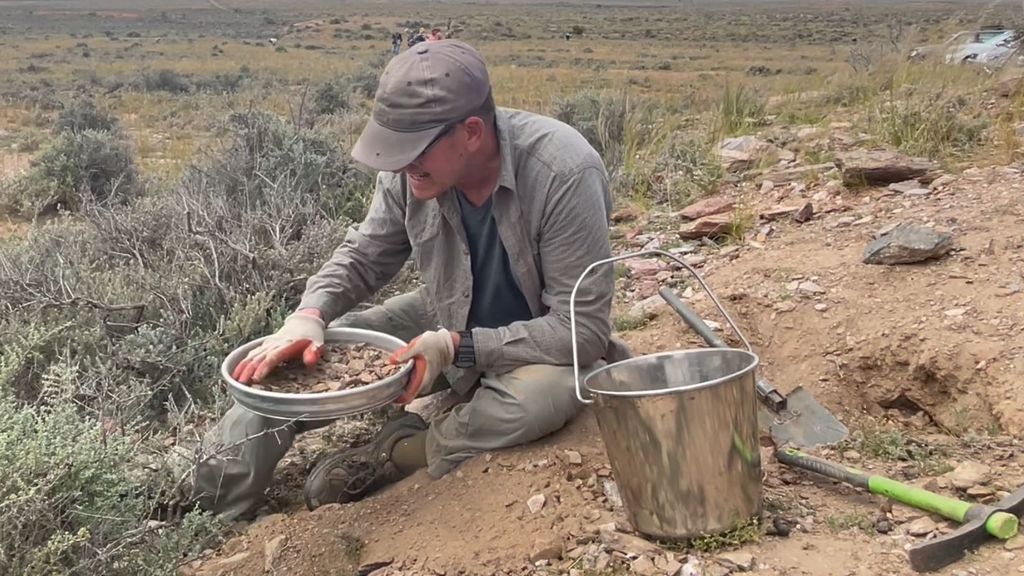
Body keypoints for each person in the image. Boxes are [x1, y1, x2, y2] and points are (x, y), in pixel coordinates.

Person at [188, 39, 628, 521]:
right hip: (443, 310)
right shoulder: (411, 170)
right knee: (286, 365)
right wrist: (307, 316)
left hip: (534, 340)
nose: (398, 164)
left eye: (412, 150)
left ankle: (400, 452)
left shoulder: (563, 171)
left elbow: (579, 332)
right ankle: (204, 504)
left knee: (541, 397)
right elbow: (365, 254)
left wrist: (458, 348)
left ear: (472, 132)